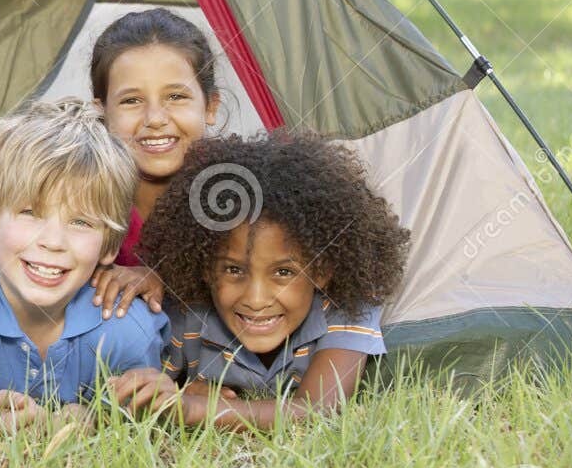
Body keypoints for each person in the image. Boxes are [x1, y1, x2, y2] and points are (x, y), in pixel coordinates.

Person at [112, 130, 408, 429]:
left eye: (284, 272)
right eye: (233, 270)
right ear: (204, 268)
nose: (255, 299)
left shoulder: (347, 310)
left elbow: (318, 411)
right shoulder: (188, 318)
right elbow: (133, 394)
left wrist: (193, 409)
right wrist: (177, 392)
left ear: (322, 271)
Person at [0, 99, 165, 428]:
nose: (52, 242)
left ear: (110, 244)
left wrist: (67, 423)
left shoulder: (129, 331)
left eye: (81, 222)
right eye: (30, 213)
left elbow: (135, 427)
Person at [88, 8, 223, 319]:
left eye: (175, 97)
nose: (155, 119)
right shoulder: (87, 195)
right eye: (131, 101)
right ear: (103, 112)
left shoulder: (233, 193)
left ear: (210, 106)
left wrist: (160, 278)